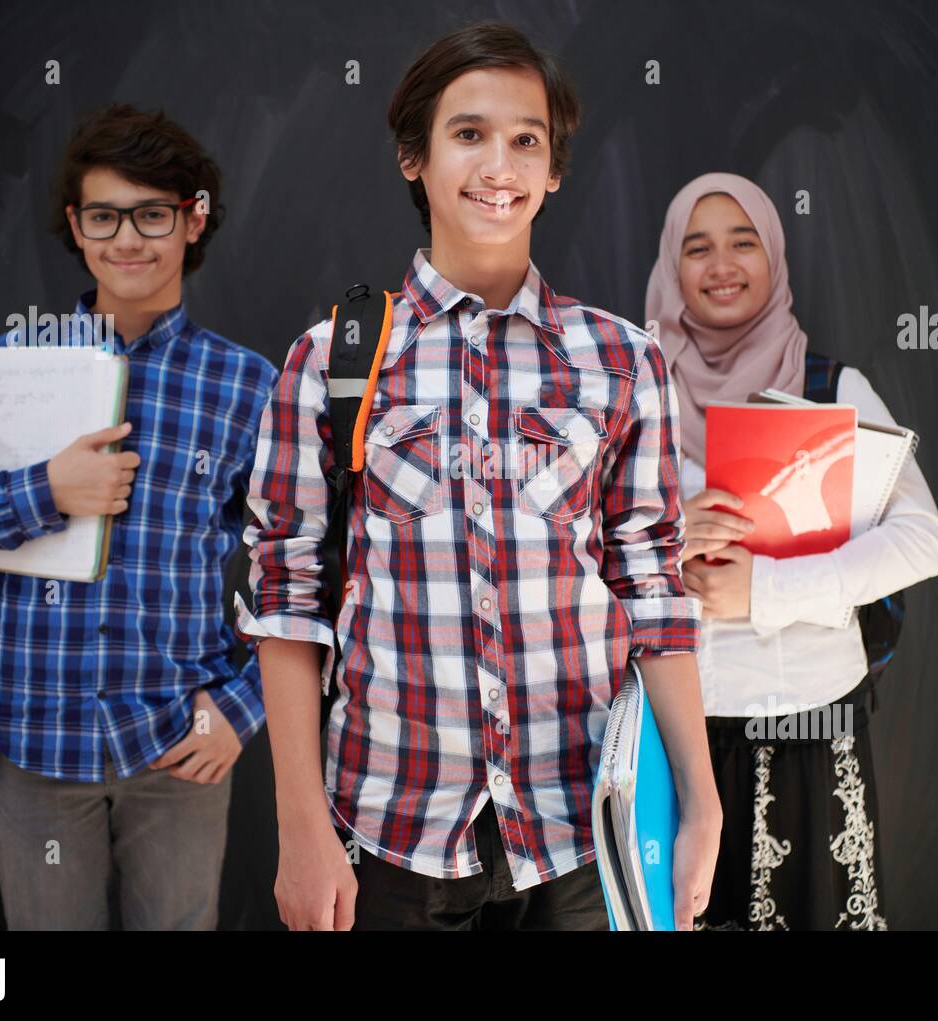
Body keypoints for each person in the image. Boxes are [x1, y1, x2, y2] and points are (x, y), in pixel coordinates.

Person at [237, 21, 721, 931]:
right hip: (388, 823)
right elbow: (287, 591)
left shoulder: (622, 362)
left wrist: (699, 798)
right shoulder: (333, 360)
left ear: (554, 170)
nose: (499, 164)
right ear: (413, 157)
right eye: (468, 134)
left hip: (582, 830)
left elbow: (653, 585)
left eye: (525, 139)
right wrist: (300, 827)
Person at [0, 103, 278, 930]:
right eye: (104, 215)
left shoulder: (247, 386)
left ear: (193, 219)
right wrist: (42, 491)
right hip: (34, 744)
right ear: (75, 223)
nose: (126, 239)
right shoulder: (15, 368)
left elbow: (306, 563)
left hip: (179, 745)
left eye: (152, 214)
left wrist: (241, 709)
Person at [644, 172, 938, 930]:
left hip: (809, 730)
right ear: (669, 268)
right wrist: (670, 539)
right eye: (697, 247)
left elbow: (922, 540)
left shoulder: (831, 389)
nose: (722, 265)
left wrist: (767, 588)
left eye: (743, 242)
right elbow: (574, 552)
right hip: (671, 738)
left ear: (773, 257)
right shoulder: (633, 396)